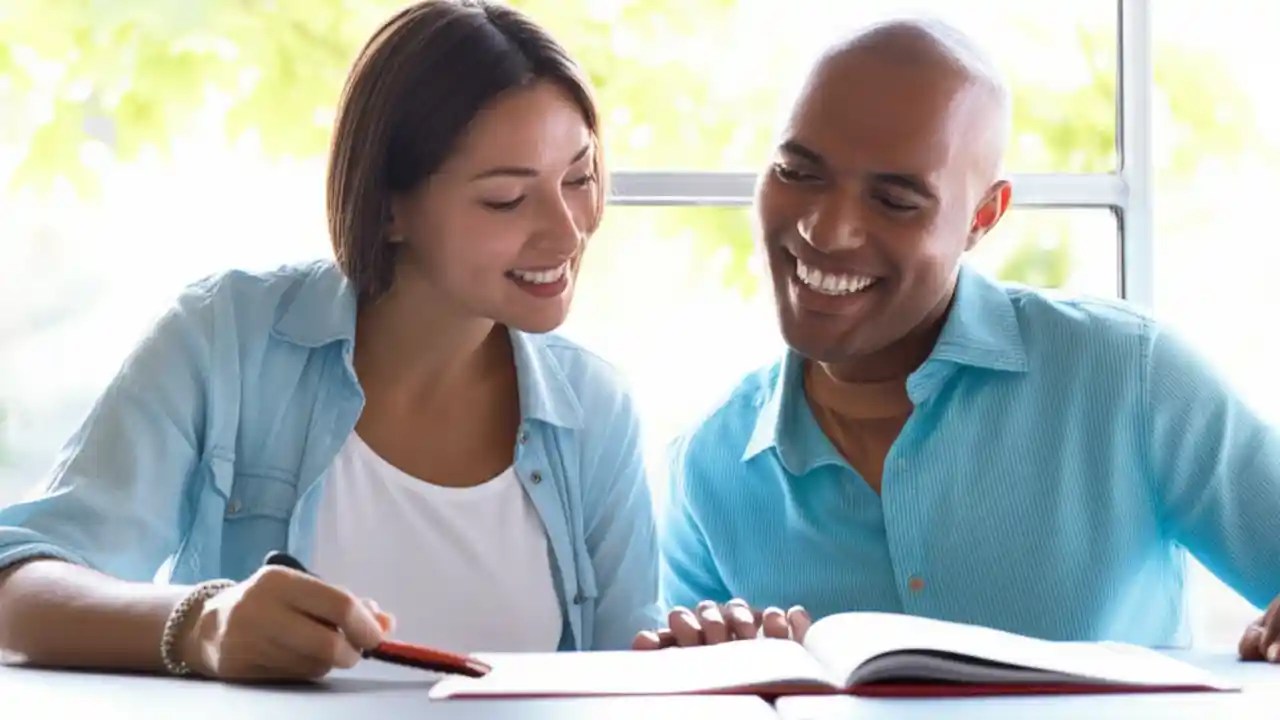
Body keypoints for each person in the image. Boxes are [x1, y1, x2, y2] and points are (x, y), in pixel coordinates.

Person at [0, 0, 659, 682]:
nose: (568, 229)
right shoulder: (224, 340)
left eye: (580, 178)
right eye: (505, 200)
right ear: (389, 206)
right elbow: (17, 587)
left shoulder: (594, 407)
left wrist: (724, 656)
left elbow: (635, 679)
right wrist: (202, 625)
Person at [633, 18, 1280, 665]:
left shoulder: (1129, 378)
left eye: (893, 200)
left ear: (982, 217)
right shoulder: (707, 469)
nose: (826, 230)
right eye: (798, 172)